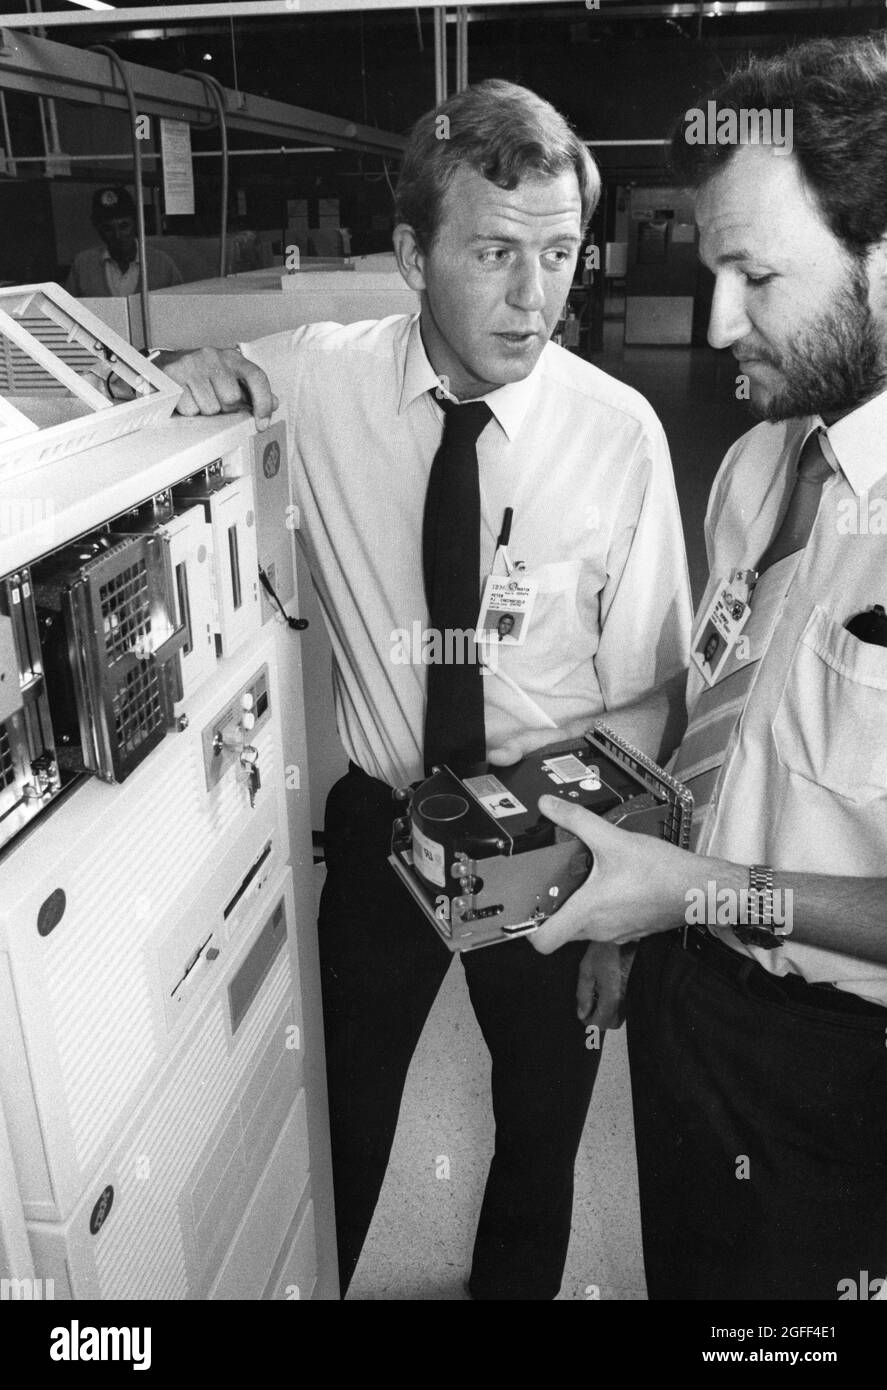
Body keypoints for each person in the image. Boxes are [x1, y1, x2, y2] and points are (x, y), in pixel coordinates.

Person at [158, 79, 691, 1300]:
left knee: (542, 1128)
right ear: (411, 254)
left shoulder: (618, 436)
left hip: (557, 840)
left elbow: (653, 692)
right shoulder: (322, 378)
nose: (533, 295)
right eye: (494, 252)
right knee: (337, 1119)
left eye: (559, 254)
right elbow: (203, 373)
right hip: (386, 823)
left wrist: (628, 894)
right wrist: (193, 375)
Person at [522, 36, 887, 1301]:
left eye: (755, 274)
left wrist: (699, 892)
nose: (716, 318)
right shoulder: (753, 466)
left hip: (838, 1071)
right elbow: (712, 709)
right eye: (711, 267)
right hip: (688, 1003)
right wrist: (646, 893)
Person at [66, 187, 183, 298]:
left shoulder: (162, 263)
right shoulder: (83, 264)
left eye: (124, 226)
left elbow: (181, 307)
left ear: (136, 224)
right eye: (108, 228)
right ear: (98, 230)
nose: (117, 235)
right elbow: (66, 311)